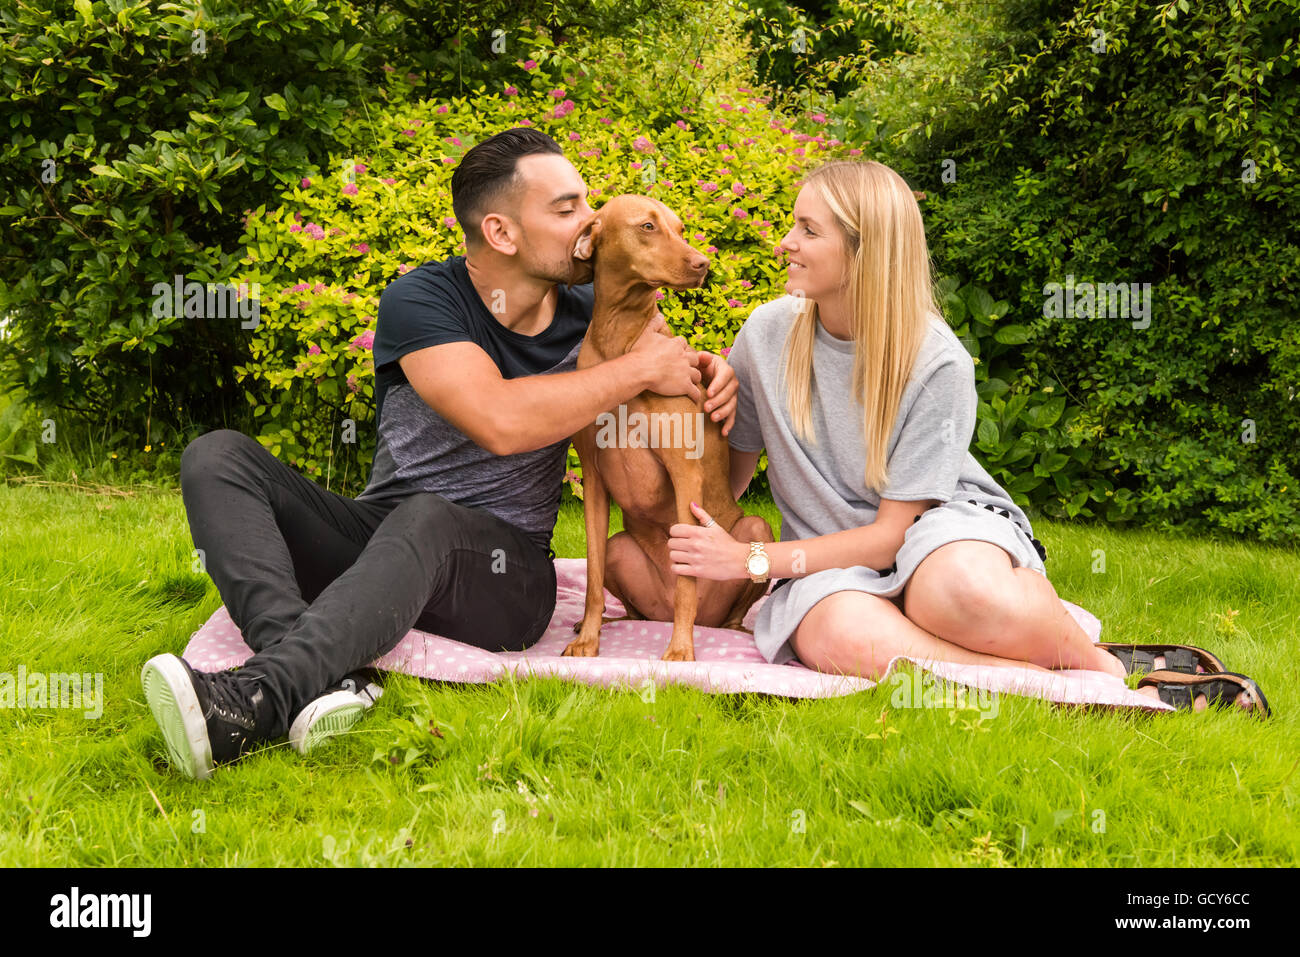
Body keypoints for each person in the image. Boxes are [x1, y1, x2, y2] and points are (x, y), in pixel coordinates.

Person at [141, 127, 742, 778]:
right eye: (566, 209)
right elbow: (499, 421)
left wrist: (709, 372)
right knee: (217, 455)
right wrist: (632, 373)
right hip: (383, 543)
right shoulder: (423, 301)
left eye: (588, 206)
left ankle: (254, 700)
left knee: (428, 517)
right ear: (502, 233)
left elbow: (663, 369)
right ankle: (307, 667)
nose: (587, 222)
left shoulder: (593, 311)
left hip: (504, 575)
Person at [667, 160, 1270, 718]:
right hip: (827, 560)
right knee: (833, 635)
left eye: (808, 230)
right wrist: (705, 400)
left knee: (950, 589)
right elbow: (728, 485)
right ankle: (1048, 682)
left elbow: (891, 536)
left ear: (865, 250)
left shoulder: (934, 359)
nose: (784, 244)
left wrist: (753, 559)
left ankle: (1102, 667)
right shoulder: (767, 333)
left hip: (936, 528)